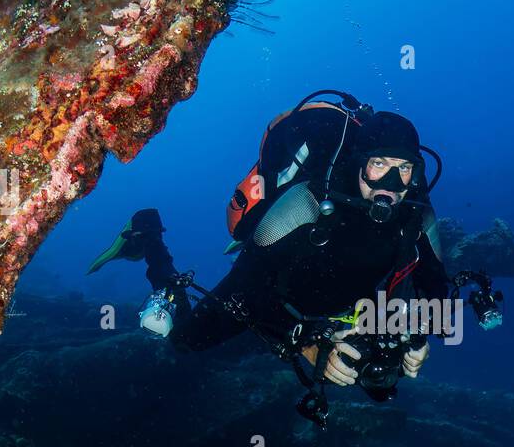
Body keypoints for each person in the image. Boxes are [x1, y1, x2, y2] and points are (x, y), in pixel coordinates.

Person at [87, 92, 450, 402]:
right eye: (379, 165)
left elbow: (437, 292)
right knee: (185, 342)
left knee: (376, 379)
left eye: (403, 170)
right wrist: (306, 346)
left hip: (339, 304)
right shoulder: (303, 205)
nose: (390, 182)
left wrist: (415, 336)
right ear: (359, 164)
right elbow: (251, 285)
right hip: (271, 294)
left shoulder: (416, 217)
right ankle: (147, 236)